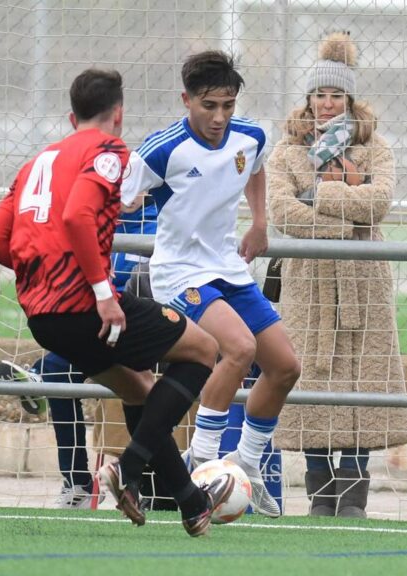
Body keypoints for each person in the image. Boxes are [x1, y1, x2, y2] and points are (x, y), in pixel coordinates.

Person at [0, 68, 234, 537]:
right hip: (83, 306)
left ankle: (190, 503)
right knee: (202, 349)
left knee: (140, 388)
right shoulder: (109, 151)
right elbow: (78, 214)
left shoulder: (39, 159)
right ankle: (129, 468)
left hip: (42, 318)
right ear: (118, 114)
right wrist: (99, 291)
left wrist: (42, 275)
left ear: (70, 115)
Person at [120, 50, 301, 518]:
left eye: (228, 105)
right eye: (209, 106)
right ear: (186, 100)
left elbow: (255, 167)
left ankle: (246, 462)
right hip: (179, 272)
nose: (219, 116)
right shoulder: (162, 149)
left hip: (229, 268)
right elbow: (117, 196)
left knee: (284, 367)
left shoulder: (250, 135)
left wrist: (259, 222)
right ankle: (201, 460)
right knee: (238, 348)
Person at [267, 32, 407, 518]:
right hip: (307, 282)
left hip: (363, 282)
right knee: (309, 375)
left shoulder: (377, 148)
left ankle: (354, 489)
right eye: (319, 94)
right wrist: (348, 212)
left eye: (336, 95)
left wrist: (318, 199)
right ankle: (318, 487)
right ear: (307, 98)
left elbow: (380, 202)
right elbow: (282, 212)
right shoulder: (286, 151)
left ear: (349, 99)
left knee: (361, 380)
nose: (327, 104)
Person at [0, 201, 159, 510]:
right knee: (62, 370)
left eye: (133, 184)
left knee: (59, 368)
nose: (127, 195)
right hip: (98, 325)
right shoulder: (95, 221)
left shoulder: (159, 223)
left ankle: (38, 377)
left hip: (143, 324)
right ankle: (78, 484)